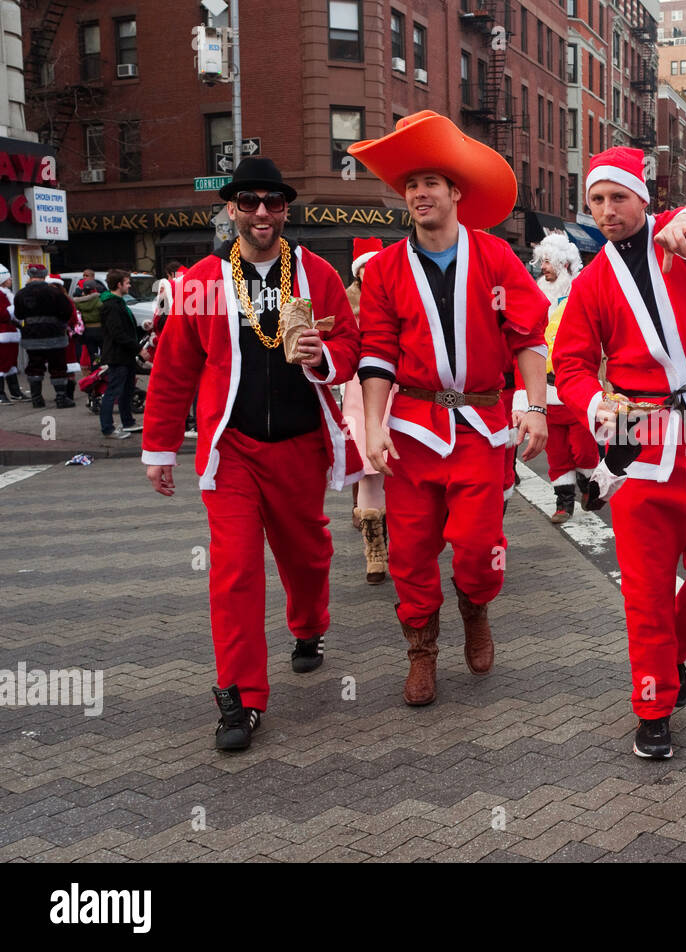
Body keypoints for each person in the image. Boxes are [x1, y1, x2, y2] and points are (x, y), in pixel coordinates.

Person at [141, 157, 362, 752]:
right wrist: (159, 449)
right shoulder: (201, 284)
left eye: (273, 202)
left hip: (298, 444)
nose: (261, 212)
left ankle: (310, 627)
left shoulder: (317, 273)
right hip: (231, 449)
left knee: (307, 552)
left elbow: (351, 340)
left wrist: (323, 356)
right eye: (249, 201)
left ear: (286, 210)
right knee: (234, 571)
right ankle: (239, 699)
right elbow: (173, 370)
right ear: (232, 209)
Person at [553, 145, 686, 760]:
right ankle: (654, 707)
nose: (608, 210)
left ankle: (672, 657)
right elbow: (570, 364)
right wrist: (594, 405)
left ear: (643, 198)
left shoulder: (680, 243)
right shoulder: (590, 283)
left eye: (619, 197)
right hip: (642, 440)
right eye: (597, 201)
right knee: (643, 589)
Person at [347, 111, 550, 707]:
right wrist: (375, 425)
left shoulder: (496, 258)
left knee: (476, 544)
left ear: (456, 191)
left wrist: (535, 407)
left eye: (431, 182)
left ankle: (476, 608)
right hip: (413, 429)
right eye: (410, 185)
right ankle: (421, 651)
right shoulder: (384, 269)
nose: (418, 193)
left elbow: (528, 336)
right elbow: (378, 356)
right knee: (409, 549)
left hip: (483, 427)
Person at [527, 233, 597, 523]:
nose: (544, 267)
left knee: (582, 447)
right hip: (544, 387)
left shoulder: (580, 293)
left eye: (548, 261)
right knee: (555, 450)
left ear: (564, 263)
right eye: (541, 261)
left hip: (575, 385)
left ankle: (587, 483)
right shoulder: (535, 295)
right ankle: (563, 503)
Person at [341, 237, 393, 584]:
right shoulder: (346, 303)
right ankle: (375, 549)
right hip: (360, 394)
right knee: (370, 469)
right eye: (365, 269)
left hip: (404, 390)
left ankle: (406, 540)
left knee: (407, 471)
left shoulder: (400, 297)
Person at [14, 264, 76, 409]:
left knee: (34, 366)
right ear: (45, 274)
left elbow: (18, 315)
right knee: (58, 367)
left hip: (31, 337)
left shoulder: (21, 294)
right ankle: (61, 398)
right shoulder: (55, 293)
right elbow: (67, 312)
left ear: (30, 274)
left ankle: (36, 399)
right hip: (55, 335)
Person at [98, 269, 142, 438]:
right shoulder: (111, 305)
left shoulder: (118, 302)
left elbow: (125, 328)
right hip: (118, 355)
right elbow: (117, 333)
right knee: (113, 391)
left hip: (125, 354)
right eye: (127, 282)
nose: (130, 285)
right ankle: (107, 428)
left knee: (127, 390)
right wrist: (139, 348)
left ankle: (128, 422)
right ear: (119, 284)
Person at [0, 265, 26, 404]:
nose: (11, 279)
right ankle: (0, 393)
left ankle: (15, 392)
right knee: (2, 363)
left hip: (10, 333)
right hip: (3, 334)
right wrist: (13, 311)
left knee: (10, 363)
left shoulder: (7, 294)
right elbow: (2, 314)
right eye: (8, 277)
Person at [73, 268, 107, 365]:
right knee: (104, 353)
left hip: (87, 331)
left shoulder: (78, 302)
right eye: (83, 275)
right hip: (99, 330)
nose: (84, 277)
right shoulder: (99, 300)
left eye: (86, 275)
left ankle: (94, 370)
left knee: (93, 354)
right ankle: (102, 371)